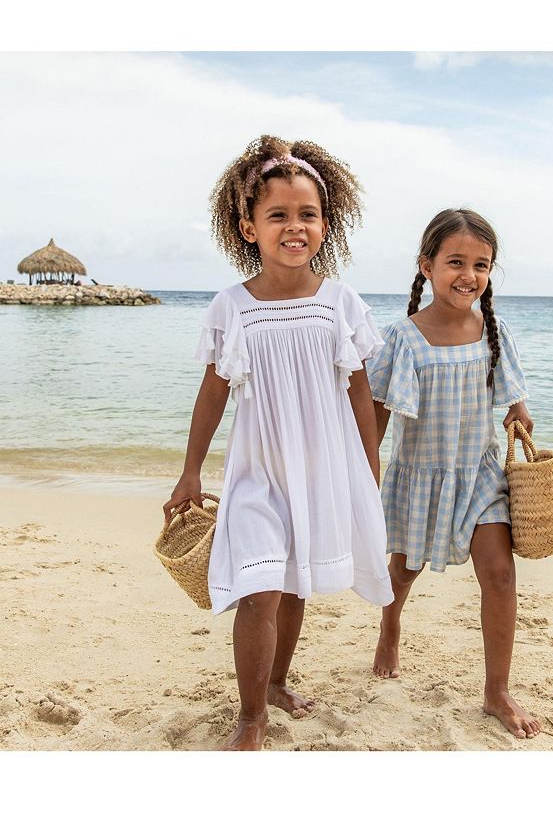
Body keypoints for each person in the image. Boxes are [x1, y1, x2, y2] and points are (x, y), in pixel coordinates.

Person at [163, 135, 393, 750]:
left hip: (321, 468)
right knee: (259, 589)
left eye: (308, 214)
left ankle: (276, 682)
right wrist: (190, 471)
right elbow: (213, 392)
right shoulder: (231, 306)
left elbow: (359, 391)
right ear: (248, 226)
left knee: (295, 586)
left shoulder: (340, 303)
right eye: (278, 215)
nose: (295, 227)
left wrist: (368, 469)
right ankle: (251, 716)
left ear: (326, 223)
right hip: (257, 471)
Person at [366, 208, 541, 739]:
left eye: (481, 265)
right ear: (427, 265)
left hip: (481, 475)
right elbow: (376, 415)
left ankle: (496, 692)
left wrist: (517, 410)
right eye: (455, 262)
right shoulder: (402, 338)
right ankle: (390, 626)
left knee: (500, 574)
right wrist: (362, 474)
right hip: (422, 474)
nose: (468, 275)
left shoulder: (493, 329)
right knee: (403, 572)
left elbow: (512, 394)